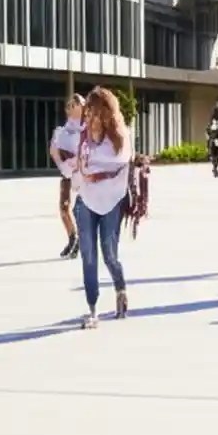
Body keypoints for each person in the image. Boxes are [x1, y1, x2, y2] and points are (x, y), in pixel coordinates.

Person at [71, 87, 134, 330]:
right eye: (89, 111)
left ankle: (120, 289)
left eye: (95, 111)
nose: (90, 116)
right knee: (88, 255)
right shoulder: (84, 135)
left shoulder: (120, 135)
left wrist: (95, 170)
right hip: (86, 200)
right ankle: (92, 309)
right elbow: (78, 165)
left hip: (112, 201)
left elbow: (120, 159)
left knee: (109, 254)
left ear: (106, 112)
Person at [48, 94, 86, 259]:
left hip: (83, 174)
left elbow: (88, 152)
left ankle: (81, 241)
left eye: (75, 104)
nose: (71, 107)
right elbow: (53, 151)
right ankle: (72, 238)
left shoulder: (87, 130)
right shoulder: (62, 131)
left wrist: (75, 162)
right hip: (67, 173)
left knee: (81, 209)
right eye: (69, 105)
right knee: (64, 208)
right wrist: (63, 165)